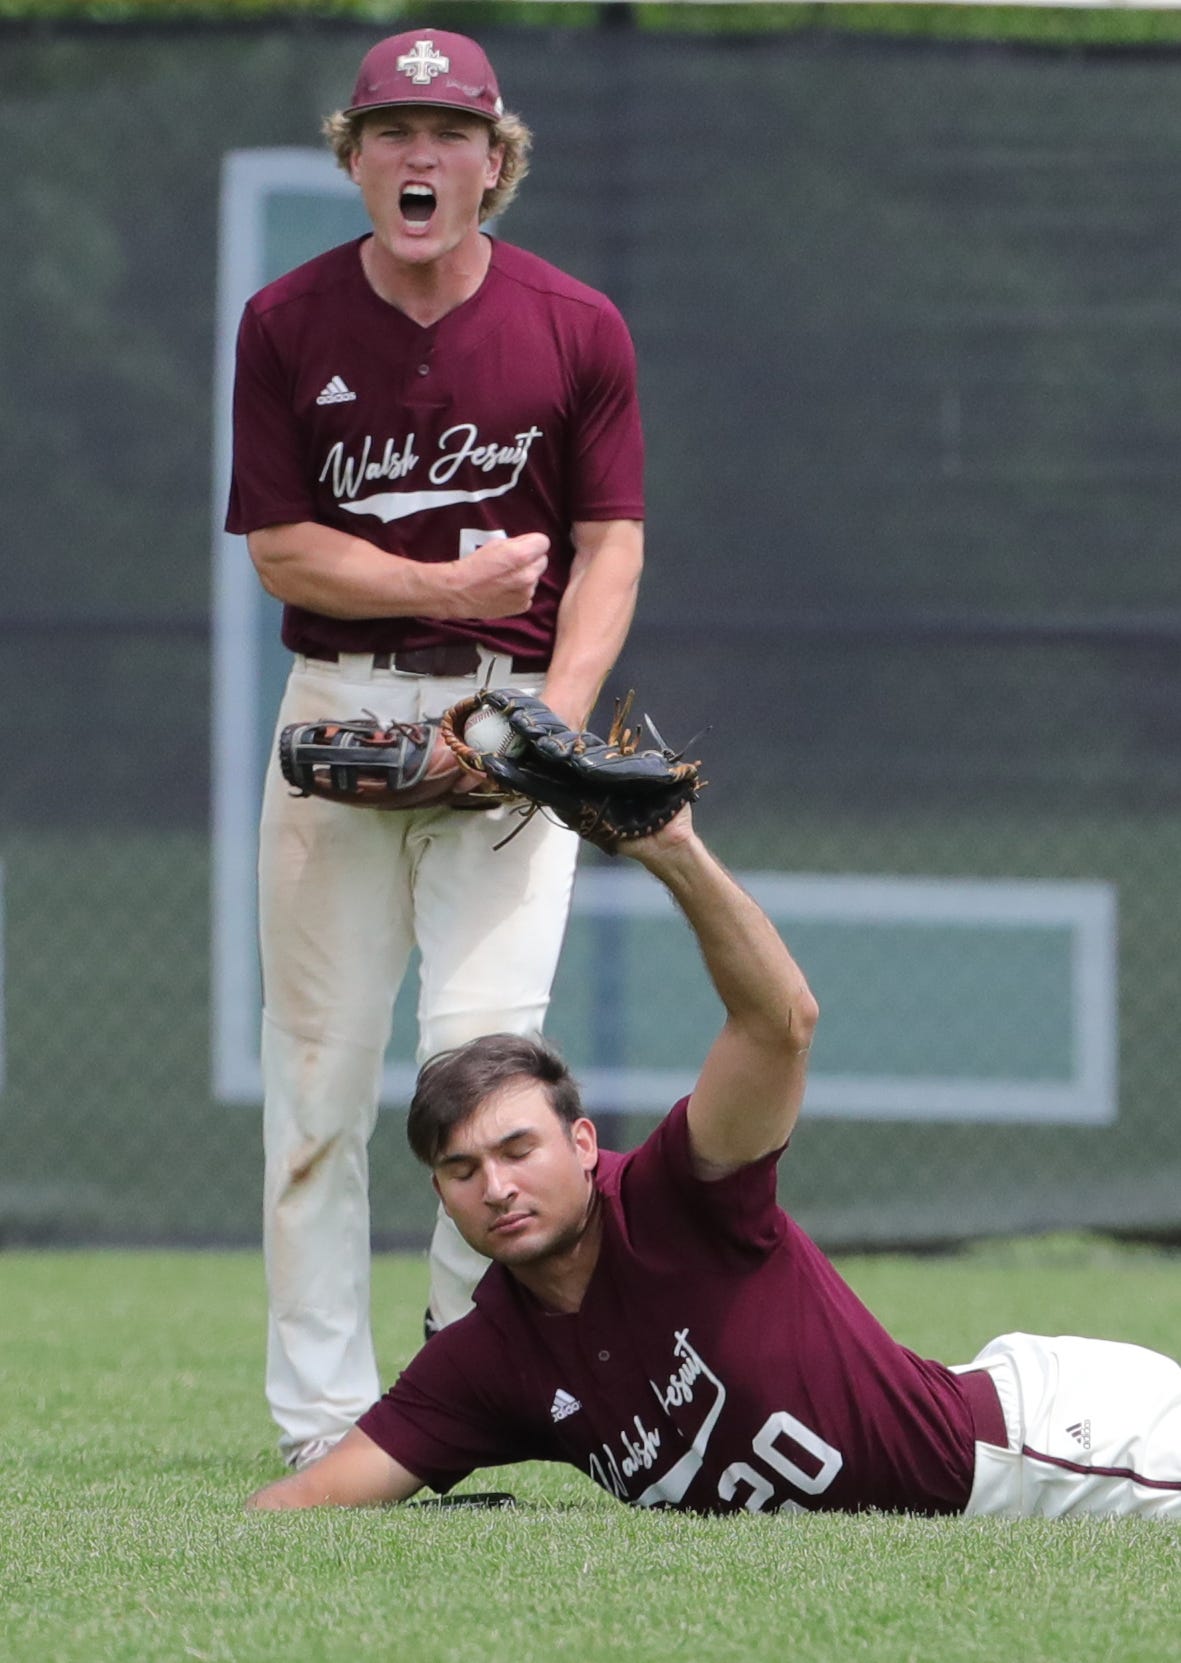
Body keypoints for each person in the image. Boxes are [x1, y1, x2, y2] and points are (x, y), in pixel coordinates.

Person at [247, 803, 1181, 1519]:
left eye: (517, 1147)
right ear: (441, 1196)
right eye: (461, 1169)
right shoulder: (492, 1353)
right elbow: (311, 1504)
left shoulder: (678, 1196)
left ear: (581, 1143)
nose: (495, 1184)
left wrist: (672, 852)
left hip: (1047, 1449)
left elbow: (781, 1022)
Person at [225, 27, 645, 1471]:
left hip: (507, 718)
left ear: (495, 163)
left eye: (452, 133)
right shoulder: (285, 319)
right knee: (320, 1085)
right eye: (393, 130)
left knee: (489, 1087)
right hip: (341, 702)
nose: (422, 156)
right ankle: (320, 1424)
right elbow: (281, 546)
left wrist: (550, 732)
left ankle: (457, 1408)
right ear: (350, 155)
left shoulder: (574, 321)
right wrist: (433, 590)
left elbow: (609, 548)